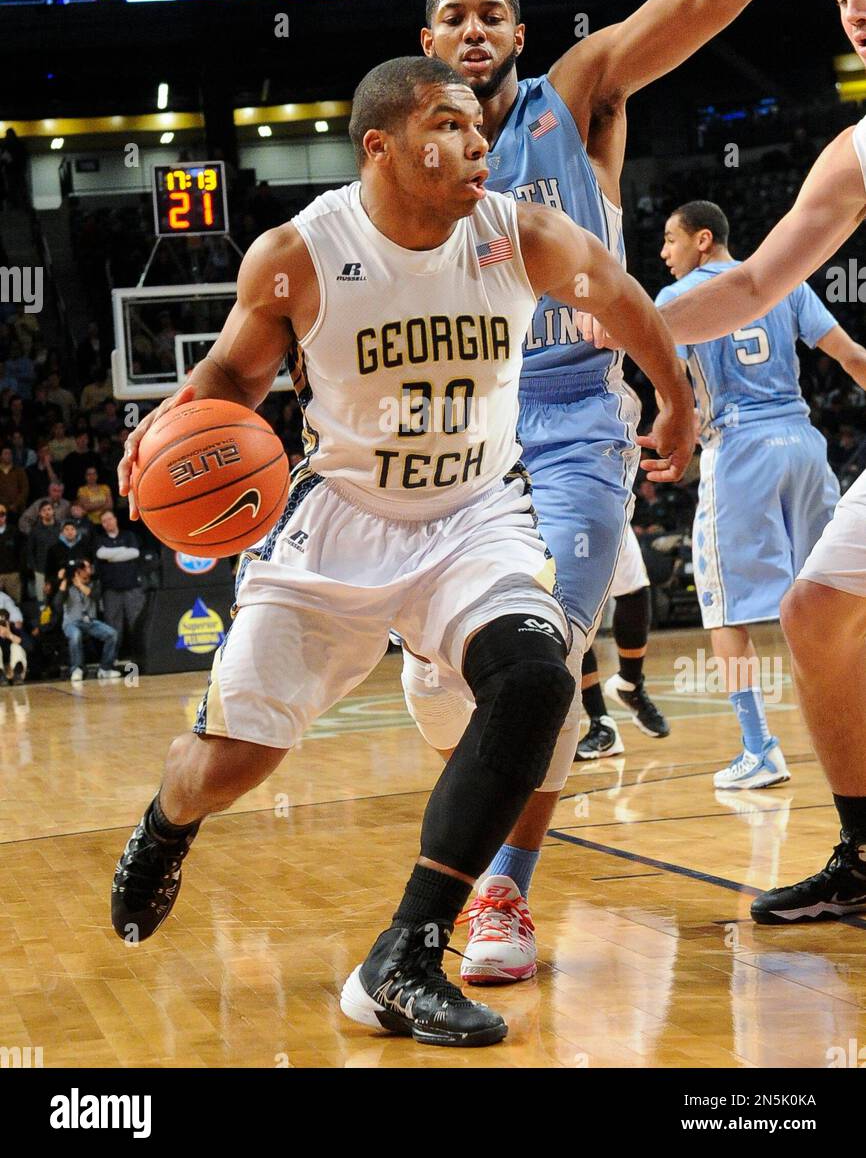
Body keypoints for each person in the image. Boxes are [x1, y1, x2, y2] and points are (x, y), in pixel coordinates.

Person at [112, 55, 694, 1048]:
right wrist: (175, 418)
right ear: (379, 144)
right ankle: (166, 822)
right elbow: (232, 374)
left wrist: (675, 398)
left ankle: (407, 949)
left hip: (474, 514)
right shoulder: (298, 250)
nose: (476, 144)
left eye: (480, 129)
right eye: (447, 125)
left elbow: (625, 299)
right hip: (337, 524)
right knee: (230, 761)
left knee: (535, 677)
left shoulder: (525, 235)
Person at [403, 0, 759, 982]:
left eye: (492, 13)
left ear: (516, 28)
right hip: (455, 431)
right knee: (449, 688)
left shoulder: (578, 91)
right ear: (428, 43)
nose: (474, 30)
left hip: (566, 423)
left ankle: (501, 892)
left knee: (542, 661)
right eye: (452, 17)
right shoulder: (405, 168)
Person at [649, 0, 866, 920]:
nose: (854, 8)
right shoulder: (852, 152)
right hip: (787, 440)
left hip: (750, 445)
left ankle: (753, 746)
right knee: (813, 611)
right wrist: (613, 324)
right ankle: (862, 857)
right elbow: (743, 295)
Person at [655, 198, 866, 789]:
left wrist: (670, 436)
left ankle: (758, 748)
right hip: (804, 444)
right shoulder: (784, 282)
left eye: (670, 241)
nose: (663, 253)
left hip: (741, 449)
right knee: (844, 597)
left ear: (701, 240)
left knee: (725, 608)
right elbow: (850, 356)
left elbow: (676, 395)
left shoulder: (675, 302)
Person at [576, 524, 666, 757]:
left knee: (634, 591)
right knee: (571, 609)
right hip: (559, 505)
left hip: (611, 500)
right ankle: (601, 722)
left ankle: (629, 682)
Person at [61, 559, 119, 685]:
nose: (88, 570)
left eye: (88, 567)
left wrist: (80, 585)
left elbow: (96, 596)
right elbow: (58, 601)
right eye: (84, 568)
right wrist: (64, 580)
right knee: (76, 635)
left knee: (112, 634)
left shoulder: (95, 583)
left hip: (90, 621)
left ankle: (105, 668)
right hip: (72, 622)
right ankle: (76, 668)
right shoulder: (68, 585)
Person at [95, 510, 143, 660]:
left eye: (110, 519)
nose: (108, 523)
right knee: (113, 626)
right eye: (104, 521)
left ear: (115, 519)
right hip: (111, 590)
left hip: (131, 587)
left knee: (135, 623)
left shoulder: (128, 535)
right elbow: (100, 554)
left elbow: (134, 553)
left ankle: (140, 657)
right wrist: (123, 551)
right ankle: (112, 660)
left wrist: (112, 556)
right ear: (102, 525)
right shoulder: (100, 539)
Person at [25, 501, 59, 601]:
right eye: (44, 510)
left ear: (53, 511)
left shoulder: (61, 527)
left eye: (49, 509)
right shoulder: (35, 531)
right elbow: (30, 551)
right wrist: (35, 569)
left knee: (60, 599)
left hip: (59, 570)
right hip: (41, 570)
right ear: (40, 513)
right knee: (42, 600)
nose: (47, 512)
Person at [0, 504, 23, 602]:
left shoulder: (14, 532)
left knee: (15, 603)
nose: (0, 518)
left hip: (12, 574)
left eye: (2, 515)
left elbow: (22, 551)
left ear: (6, 516)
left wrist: (19, 570)